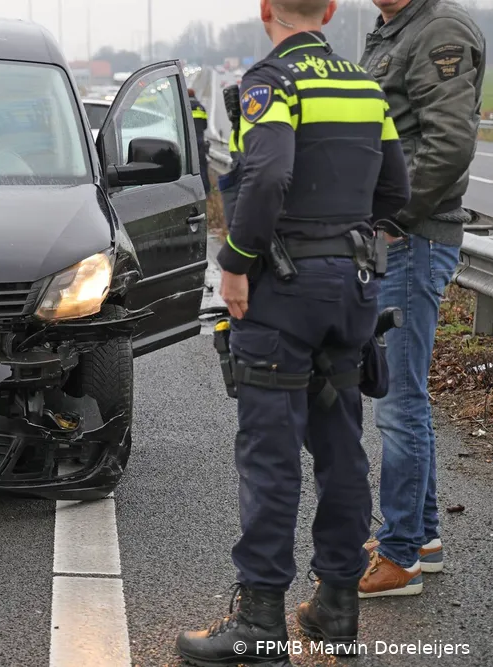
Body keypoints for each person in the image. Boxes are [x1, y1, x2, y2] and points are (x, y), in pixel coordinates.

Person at [175, 0, 410, 664]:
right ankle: (337, 607)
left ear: (265, 9)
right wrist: (353, 241)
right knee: (341, 444)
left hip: (284, 289)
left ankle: (257, 623)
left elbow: (270, 171)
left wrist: (237, 262)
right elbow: (397, 188)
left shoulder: (271, 82)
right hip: (353, 287)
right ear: (332, 10)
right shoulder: (366, 86)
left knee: (270, 453)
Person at [357, 0, 486, 599]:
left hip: (413, 236)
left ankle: (401, 554)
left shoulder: (441, 29)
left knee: (398, 403)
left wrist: (394, 218)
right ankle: (422, 538)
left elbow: (451, 144)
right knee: (404, 393)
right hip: (397, 237)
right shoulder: (389, 30)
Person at [188, 88, 212, 195]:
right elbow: (205, 126)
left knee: (191, 168)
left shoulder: (185, 107)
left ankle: (196, 192)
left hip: (189, 143)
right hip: (200, 141)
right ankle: (206, 190)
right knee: (203, 166)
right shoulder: (201, 107)